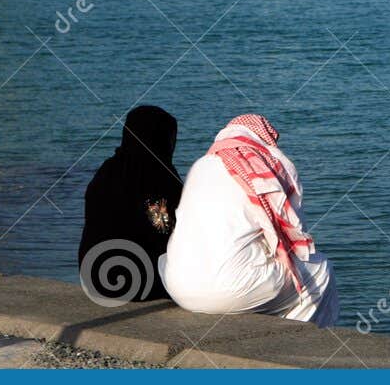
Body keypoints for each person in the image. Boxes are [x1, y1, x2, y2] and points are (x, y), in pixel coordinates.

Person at [160, 113, 338, 325]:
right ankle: (293, 342)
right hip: (229, 290)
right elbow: (295, 234)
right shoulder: (271, 165)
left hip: (178, 288)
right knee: (320, 270)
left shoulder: (201, 164)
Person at [77, 105, 182, 302]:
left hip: (94, 277)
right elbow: (162, 227)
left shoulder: (107, 170)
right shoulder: (157, 175)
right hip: (137, 282)